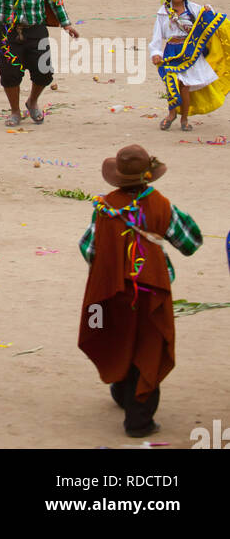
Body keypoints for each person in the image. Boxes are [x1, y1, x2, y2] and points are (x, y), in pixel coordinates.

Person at [78, 144, 202, 437]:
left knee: (120, 339)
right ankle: (139, 421)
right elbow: (191, 241)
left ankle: (122, 393)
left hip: (113, 291)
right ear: (149, 176)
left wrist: (113, 263)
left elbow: (88, 248)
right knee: (149, 348)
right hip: (151, 291)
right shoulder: (161, 205)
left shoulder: (105, 207)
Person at [150, 0, 230, 130]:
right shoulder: (162, 13)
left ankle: (184, 119)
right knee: (172, 83)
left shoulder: (194, 9)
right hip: (172, 51)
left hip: (190, 52)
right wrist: (155, 52)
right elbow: (157, 35)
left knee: (185, 85)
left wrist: (208, 10)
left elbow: (208, 20)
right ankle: (171, 114)